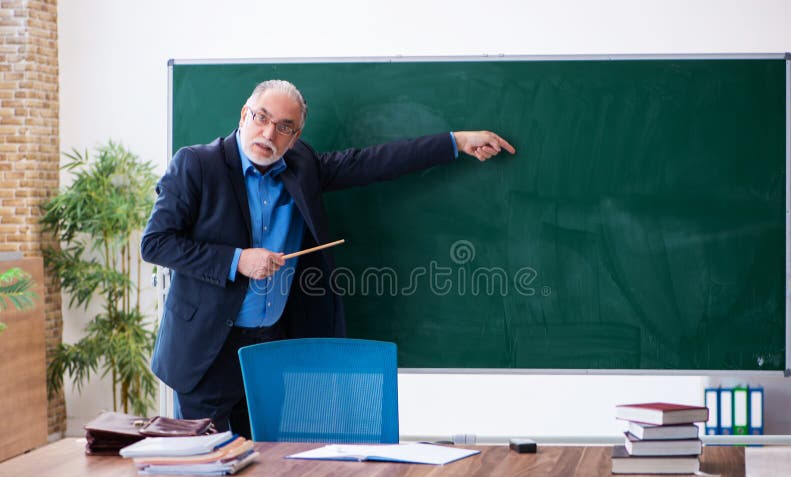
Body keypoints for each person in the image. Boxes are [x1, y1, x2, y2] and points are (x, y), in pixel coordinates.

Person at [141, 80, 515, 438]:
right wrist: (237, 260)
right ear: (244, 115)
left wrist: (456, 142)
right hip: (206, 353)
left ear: (296, 136)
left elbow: (375, 162)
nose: (269, 134)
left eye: (285, 127)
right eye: (262, 118)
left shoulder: (303, 166)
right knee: (205, 473)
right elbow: (155, 243)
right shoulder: (196, 164)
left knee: (266, 471)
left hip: (271, 349)